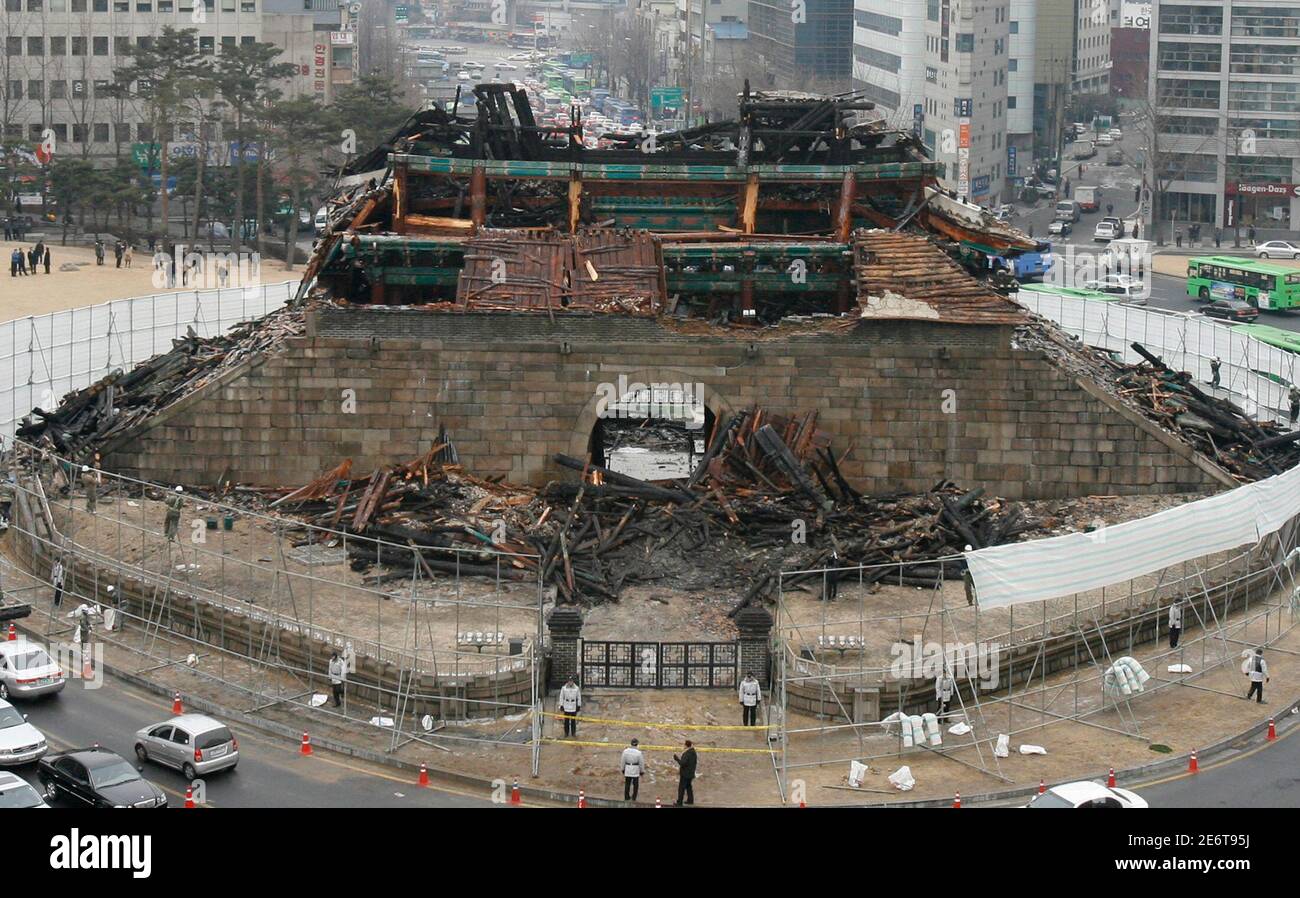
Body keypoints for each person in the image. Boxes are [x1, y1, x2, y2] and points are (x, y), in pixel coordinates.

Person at [672, 740, 697, 806]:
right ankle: (690, 800)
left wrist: (676, 758)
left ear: (686, 745)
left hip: (685, 774)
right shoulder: (693, 752)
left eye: (684, 744)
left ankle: (679, 802)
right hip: (691, 773)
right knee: (688, 787)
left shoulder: (688, 753)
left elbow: (682, 763)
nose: (683, 746)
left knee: (681, 788)